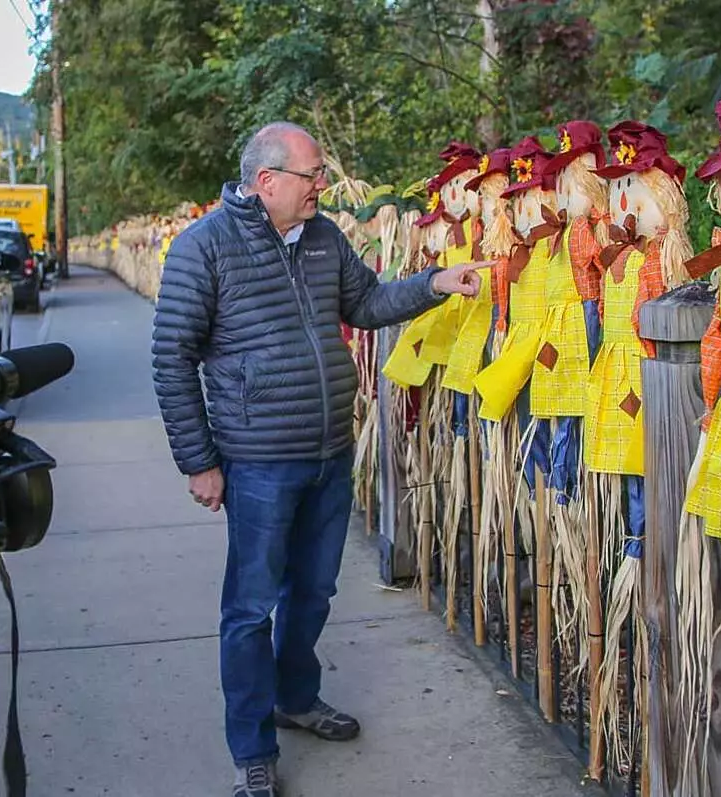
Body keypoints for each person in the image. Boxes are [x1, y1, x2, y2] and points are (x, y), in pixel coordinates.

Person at [150, 121, 485, 797]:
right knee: (249, 608)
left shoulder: (325, 237)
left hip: (328, 454)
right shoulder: (204, 249)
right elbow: (171, 358)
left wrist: (435, 282)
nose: (323, 187)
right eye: (313, 176)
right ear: (268, 181)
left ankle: (295, 697)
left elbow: (365, 303)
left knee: (312, 592)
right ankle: (252, 747)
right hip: (257, 463)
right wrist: (198, 460)